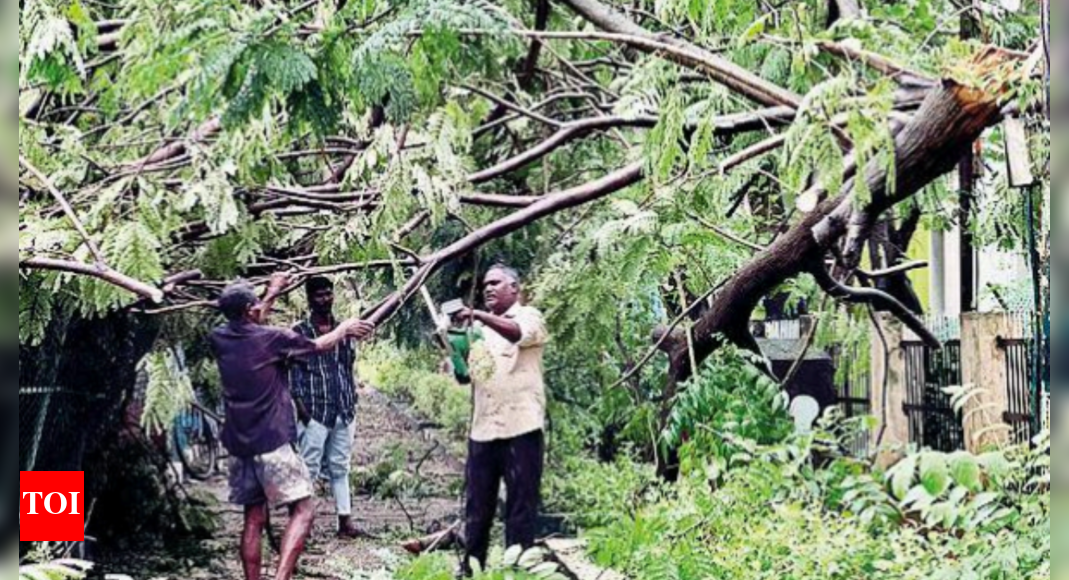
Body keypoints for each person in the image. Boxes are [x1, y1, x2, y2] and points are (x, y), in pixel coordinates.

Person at [210, 275, 375, 580]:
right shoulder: (271, 338)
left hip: (240, 445)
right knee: (305, 509)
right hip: (272, 441)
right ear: (249, 310)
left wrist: (272, 291)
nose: (261, 306)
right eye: (256, 302)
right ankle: (282, 577)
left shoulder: (219, 337)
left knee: (253, 518)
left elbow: (251, 318)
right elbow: (318, 346)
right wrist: (345, 328)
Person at [454, 265, 550, 577]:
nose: (488, 289)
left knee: (521, 507)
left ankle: (518, 571)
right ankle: (472, 569)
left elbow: (519, 335)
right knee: (477, 508)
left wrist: (479, 316)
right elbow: (466, 376)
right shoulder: (478, 332)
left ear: (515, 288)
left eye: (496, 283)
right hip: (483, 429)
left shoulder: (529, 316)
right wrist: (456, 348)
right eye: (485, 285)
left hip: (522, 427)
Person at [290, 276, 374, 540]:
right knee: (309, 469)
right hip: (315, 410)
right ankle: (301, 527)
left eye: (328, 294)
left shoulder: (345, 329)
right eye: (319, 295)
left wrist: (352, 400)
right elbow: (293, 373)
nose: (325, 299)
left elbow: (347, 366)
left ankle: (345, 522)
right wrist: (303, 411)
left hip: (343, 409)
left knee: (340, 466)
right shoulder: (300, 332)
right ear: (309, 299)